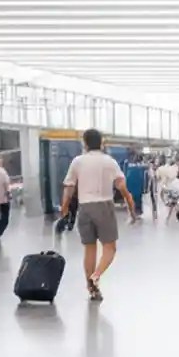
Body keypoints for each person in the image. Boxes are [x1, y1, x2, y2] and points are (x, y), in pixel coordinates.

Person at [61, 128, 136, 302]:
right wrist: (131, 209)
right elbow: (122, 188)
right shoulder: (109, 162)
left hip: (84, 207)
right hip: (104, 206)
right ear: (101, 142)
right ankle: (96, 275)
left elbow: (69, 187)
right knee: (110, 248)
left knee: (89, 248)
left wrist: (64, 207)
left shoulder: (77, 162)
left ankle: (92, 290)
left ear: (84, 143)